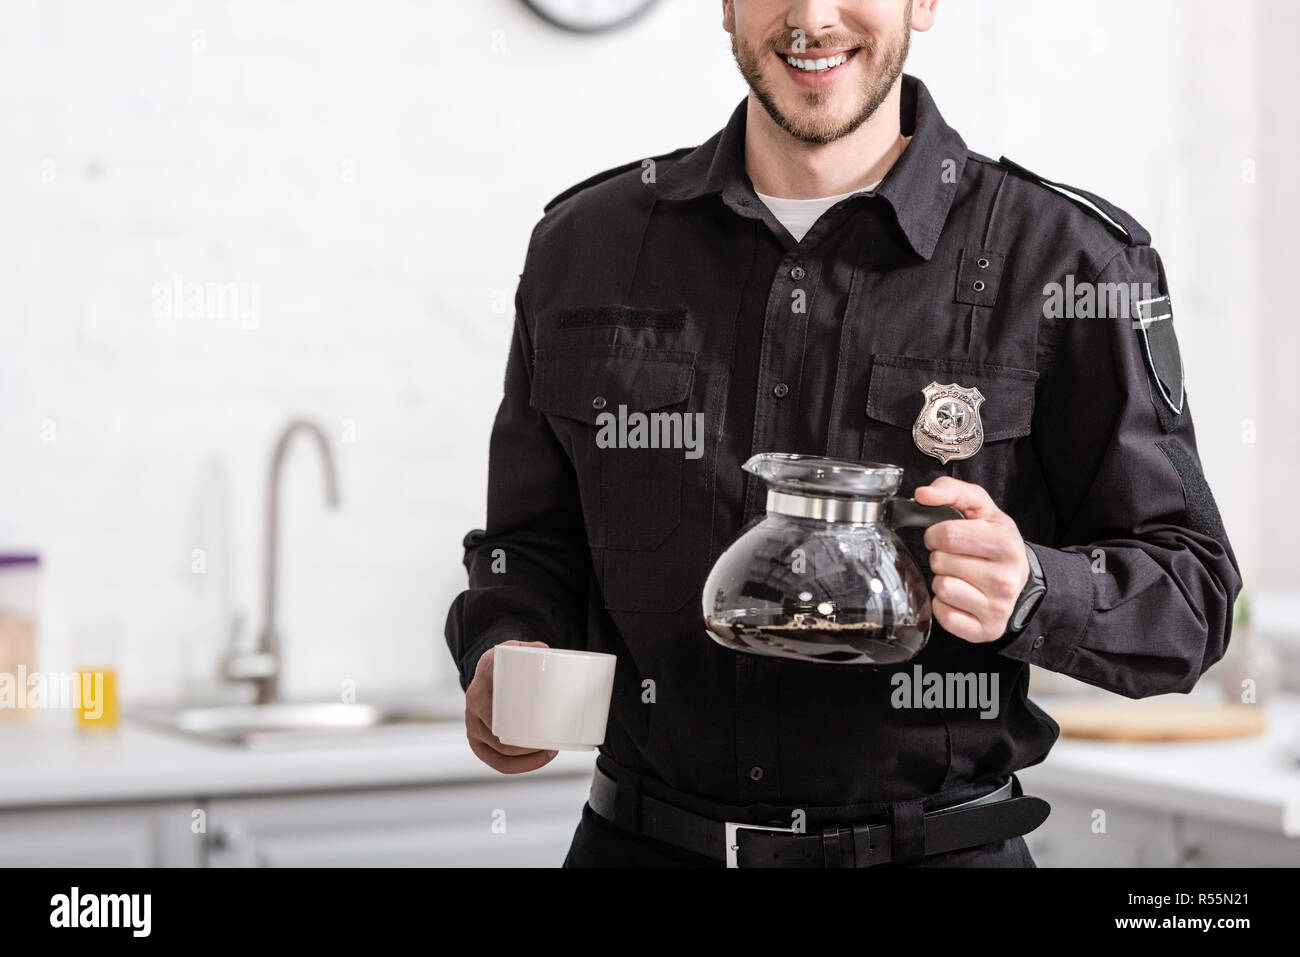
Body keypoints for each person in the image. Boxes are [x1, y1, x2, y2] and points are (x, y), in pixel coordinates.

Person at [445, 0, 1241, 868]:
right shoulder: (586, 244)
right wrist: (505, 643)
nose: (812, 17)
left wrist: (1037, 589)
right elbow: (527, 548)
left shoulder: (1067, 262)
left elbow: (1190, 593)